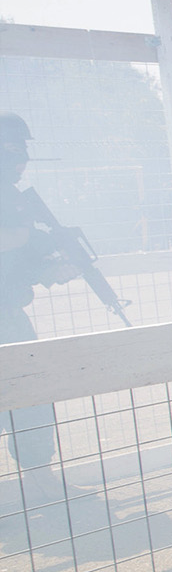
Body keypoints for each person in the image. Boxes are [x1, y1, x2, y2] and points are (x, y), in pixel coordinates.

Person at [0, 112, 78, 472]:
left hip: (8, 315)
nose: (21, 162)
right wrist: (32, 237)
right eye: (13, 150)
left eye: (22, 153)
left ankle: (38, 477)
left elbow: (15, 262)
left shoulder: (12, 194)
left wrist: (50, 267)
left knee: (29, 395)